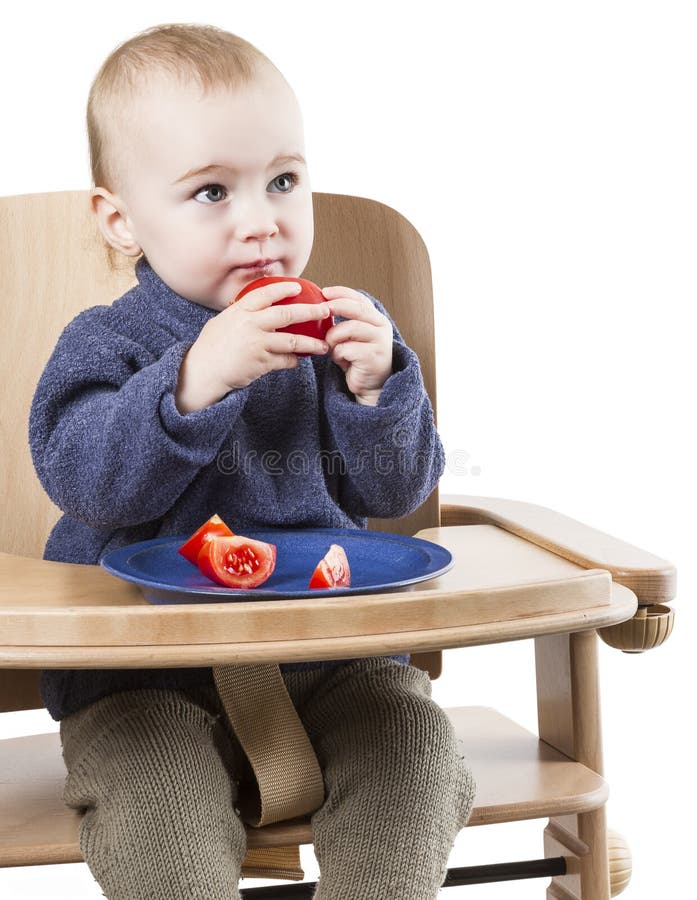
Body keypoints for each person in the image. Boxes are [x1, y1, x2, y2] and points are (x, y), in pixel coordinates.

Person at [28, 22, 475, 900]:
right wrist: (191, 384)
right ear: (120, 219)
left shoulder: (341, 334)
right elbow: (83, 479)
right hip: (143, 678)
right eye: (209, 193)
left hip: (333, 660)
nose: (261, 223)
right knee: (155, 806)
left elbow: (398, 495)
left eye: (281, 181)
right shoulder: (105, 343)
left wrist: (379, 389)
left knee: (415, 754)